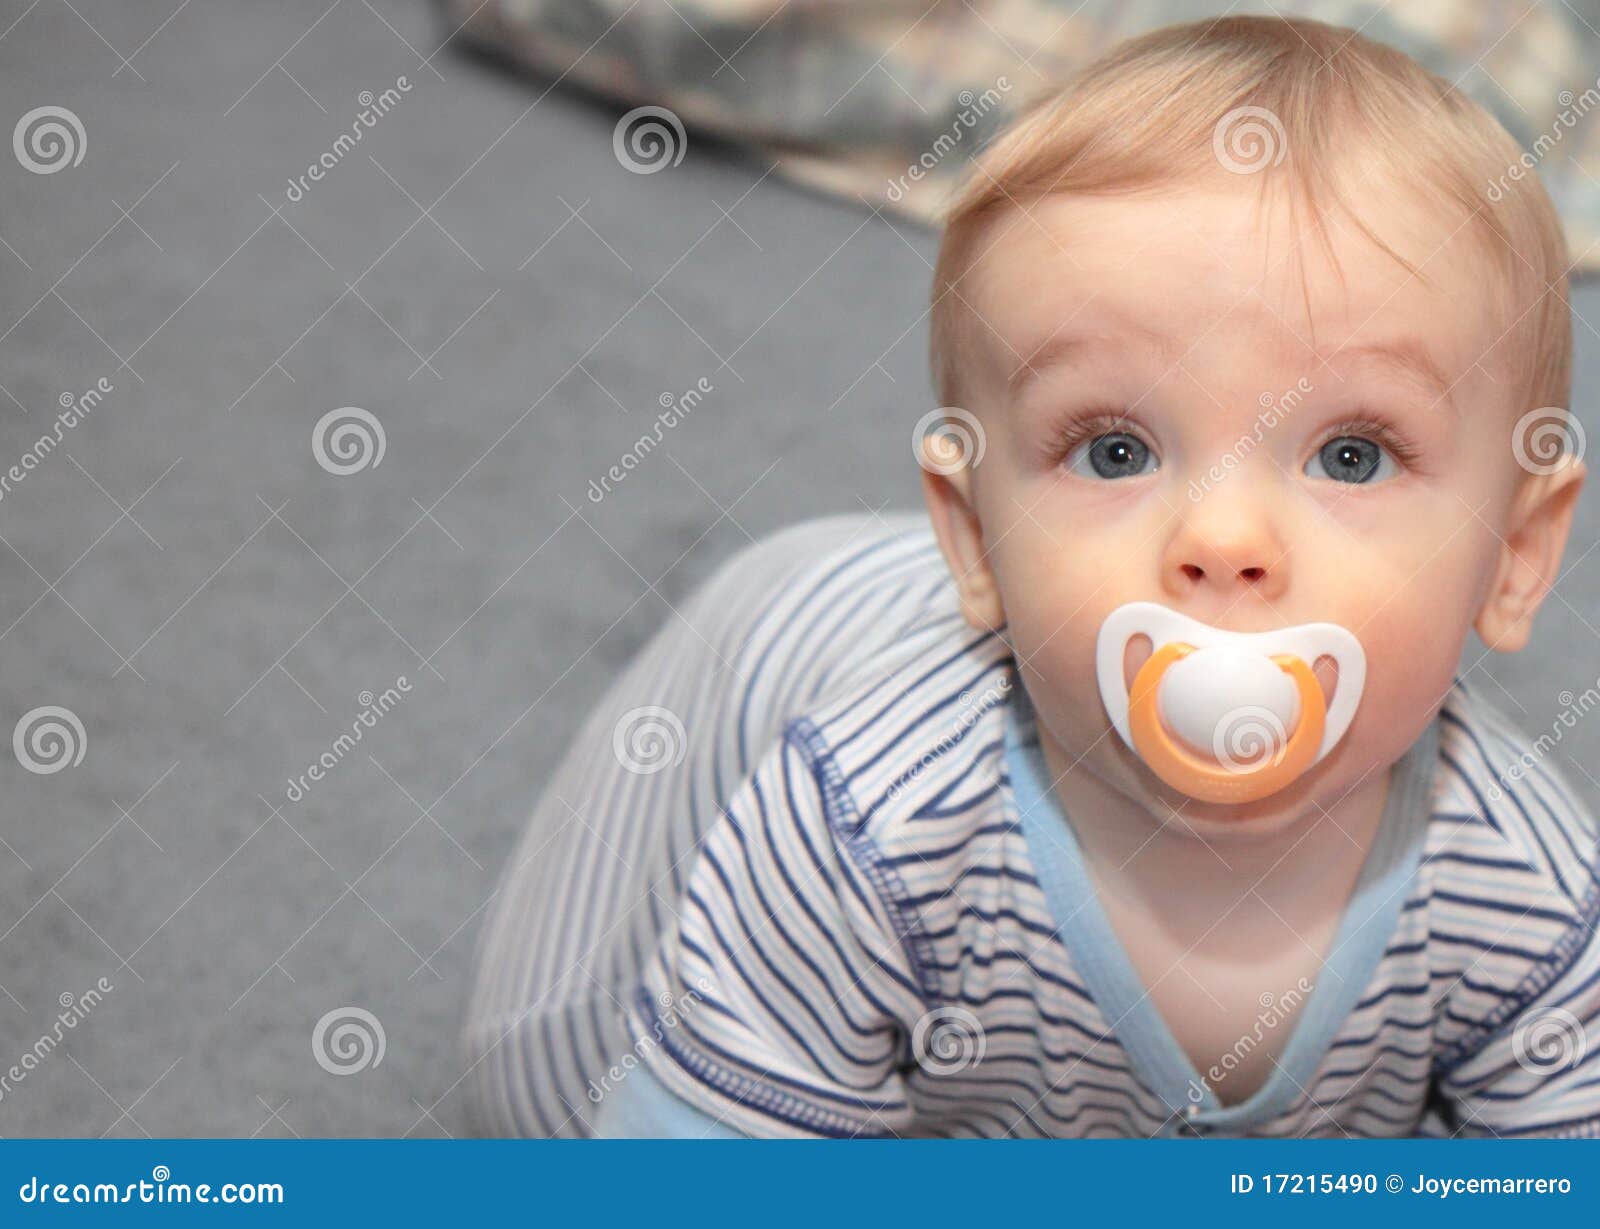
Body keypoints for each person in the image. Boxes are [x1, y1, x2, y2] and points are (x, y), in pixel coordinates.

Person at [461, 15, 1599, 1138]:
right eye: (1114, 451)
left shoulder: (1525, 891)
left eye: (1351, 456)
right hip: (763, 670)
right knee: (550, 1115)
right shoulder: (871, 820)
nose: (1222, 537)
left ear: (1516, 551)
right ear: (971, 536)